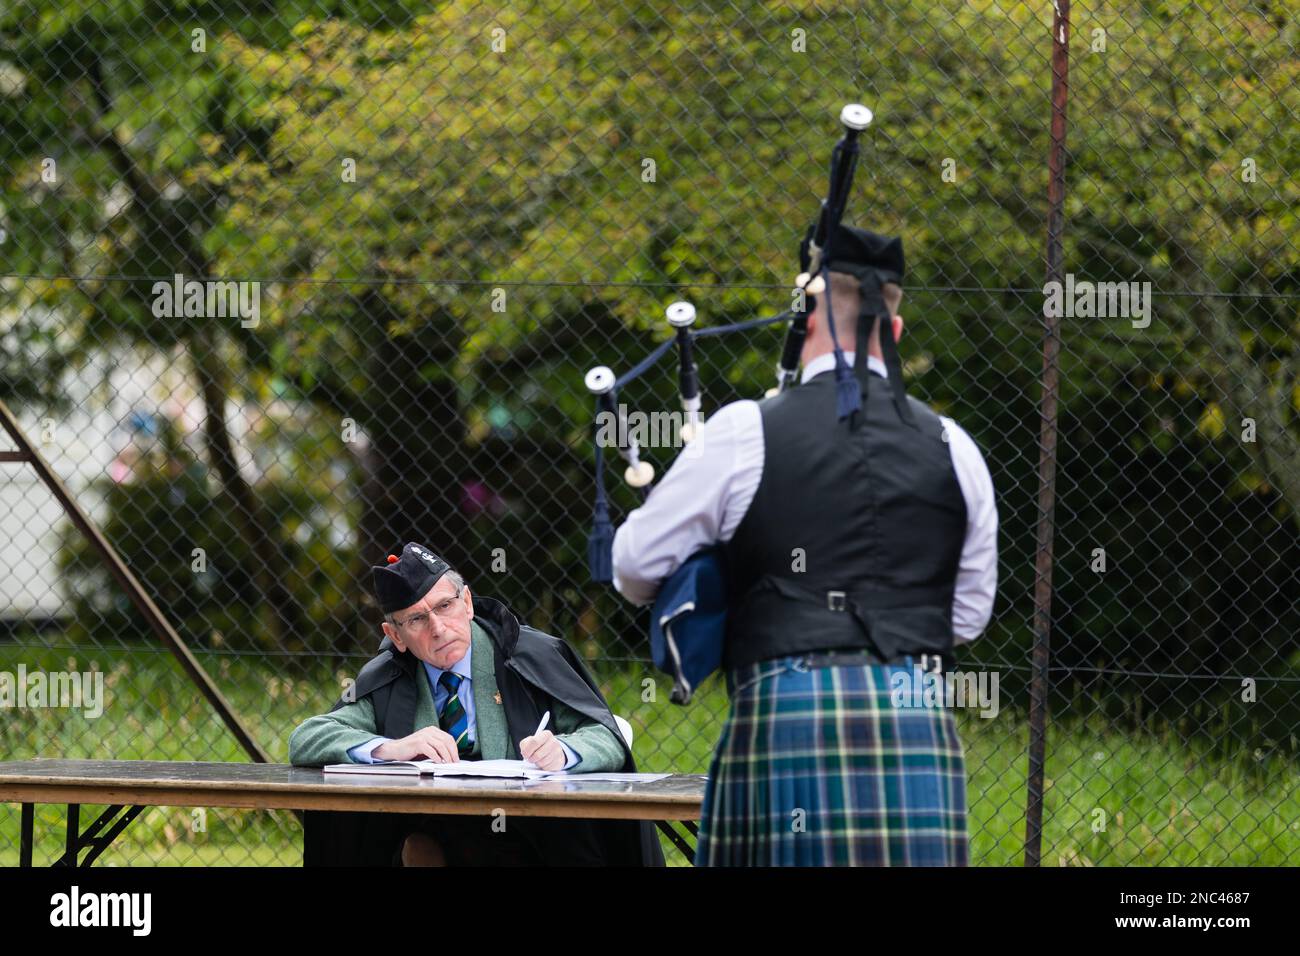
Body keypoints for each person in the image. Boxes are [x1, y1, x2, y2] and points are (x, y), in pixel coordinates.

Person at [612, 225, 998, 865]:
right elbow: (967, 617)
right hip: (915, 711)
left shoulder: (744, 431)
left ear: (807, 318)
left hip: (786, 706)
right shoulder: (955, 447)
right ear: (894, 331)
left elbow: (632, 567)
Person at [291, 541, 665, 866]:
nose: (437, 627)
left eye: (445, 607)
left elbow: (606, 734)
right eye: (417, 619)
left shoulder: (530, 657)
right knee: (413, 843)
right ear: (395, 635)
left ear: (467, 602)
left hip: (533, 833)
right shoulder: (388, 675)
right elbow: (307, 738)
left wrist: (564, 752)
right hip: (432, 830)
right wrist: (391, 748)